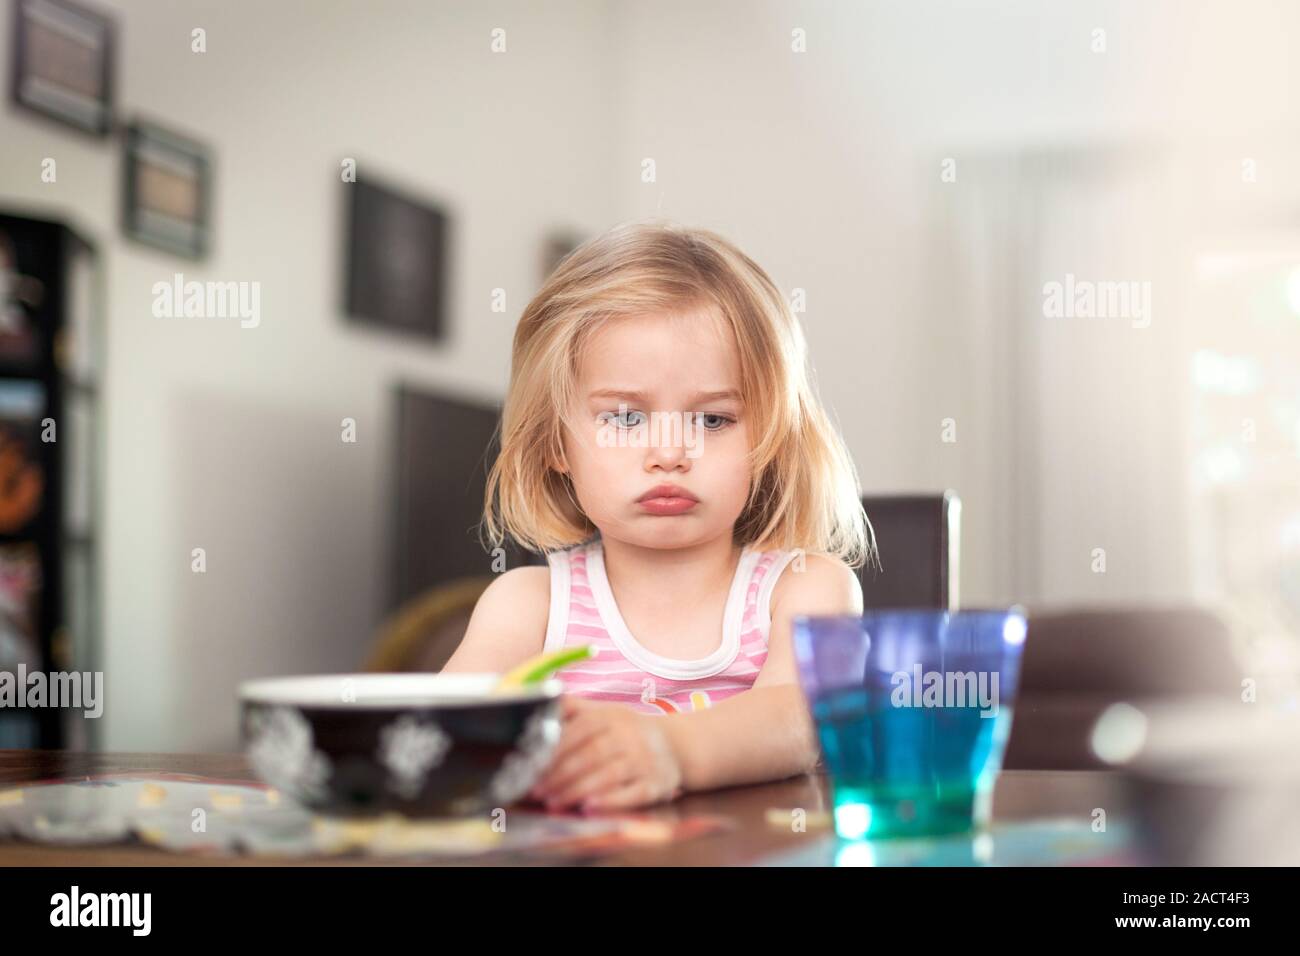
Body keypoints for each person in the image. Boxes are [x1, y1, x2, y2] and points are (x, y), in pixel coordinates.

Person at [442, 220, 874, 812]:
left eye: (712, 420)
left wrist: (669, 748)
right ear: (556, 444)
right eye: (624, 418)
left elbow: (799, 720)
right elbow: (441, 730)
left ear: (770, 440)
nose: (670, 452)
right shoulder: (529, 606)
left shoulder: (806, 588)